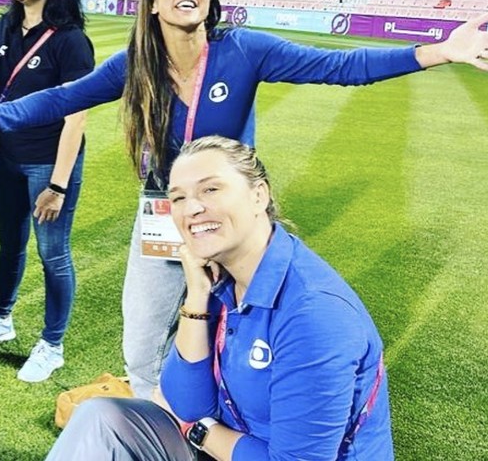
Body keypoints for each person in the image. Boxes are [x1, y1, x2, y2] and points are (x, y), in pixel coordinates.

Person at [0, 0, 488, 398]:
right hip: (162, 213)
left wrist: (439, 52)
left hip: (235, 218)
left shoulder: (243, 50)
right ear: (153, 1)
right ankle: (164, 423)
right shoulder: (136, 64)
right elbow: (62, 98)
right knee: (142, 340)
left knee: (244, 334)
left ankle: (234, 423)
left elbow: (339, 66)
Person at [47, 136, 393, 460]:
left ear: (260, 196)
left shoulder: (315, 314)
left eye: (210, 189)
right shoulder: (220, 275)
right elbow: (187, 401)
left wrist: (200, 432)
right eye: (178, 197)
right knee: (102, 417)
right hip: (229, 446)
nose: (191, 208)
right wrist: (197, 296)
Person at [0, 0, 95, 382]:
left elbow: (77, 119)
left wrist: (58, 185)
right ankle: (1, 320)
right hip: (8, 159)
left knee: (53, 254)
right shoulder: (4, 26)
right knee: (10, 245)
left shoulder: (70, 39)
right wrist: (0, 98)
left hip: (48, 163)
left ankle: (52, 344)